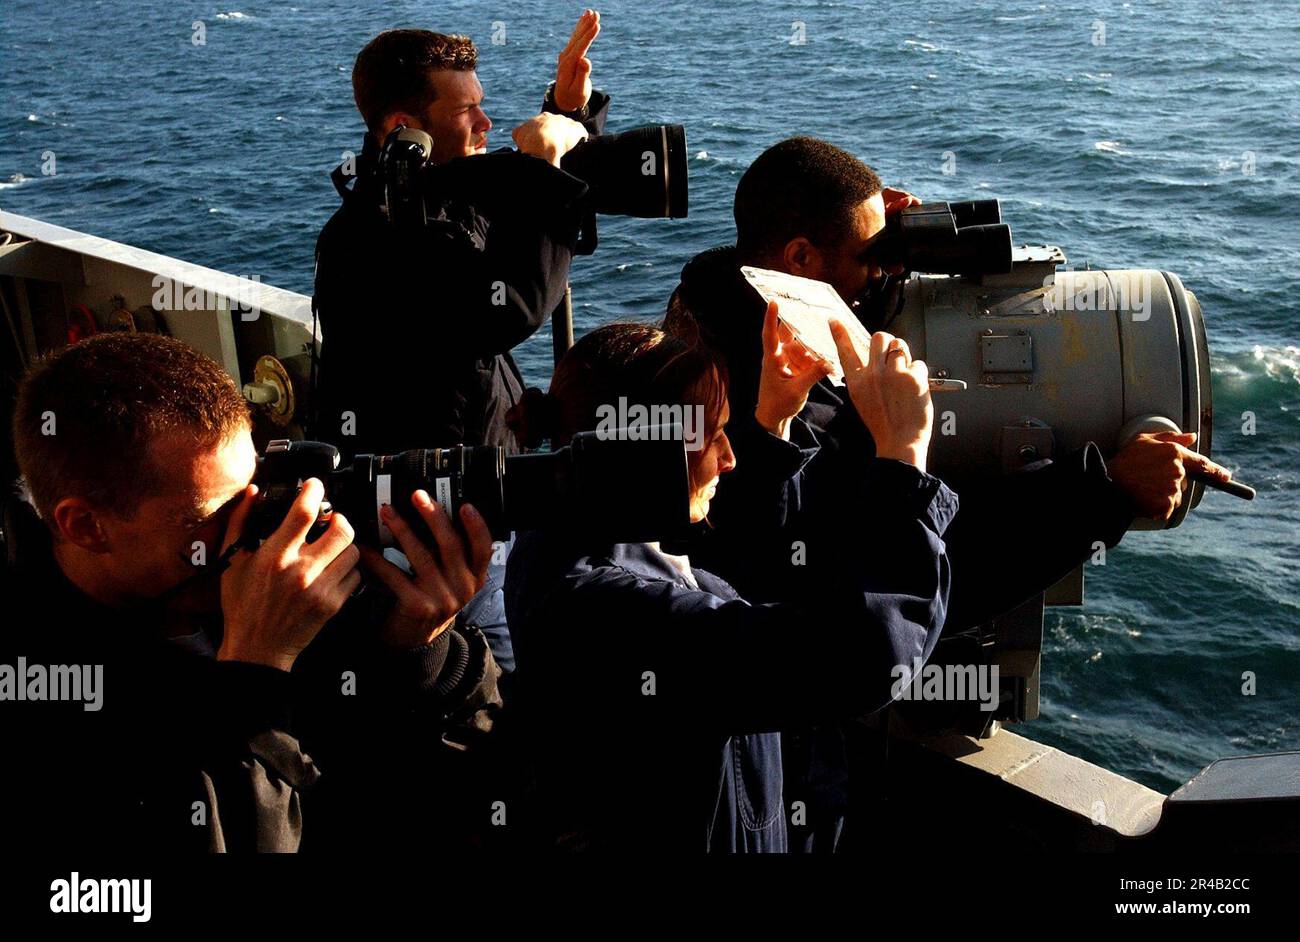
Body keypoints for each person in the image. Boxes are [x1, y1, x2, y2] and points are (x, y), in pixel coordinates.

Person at [663, 135, 1237, 851]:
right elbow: (925, 580)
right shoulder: (777, 410)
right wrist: (1107, 492)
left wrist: (879, 258)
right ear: (802, 259)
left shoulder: (712, 309)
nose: (879, 276)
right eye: (868, 257)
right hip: (778, 775)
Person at [0, 333, 497, 852]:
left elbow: (472, 789)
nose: (253, 535)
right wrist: (255, 677)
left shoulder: (288, 586)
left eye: (255, 497)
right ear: (86, 526)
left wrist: (424, 657)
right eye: (214, 517)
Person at [503, 309, 958, 852]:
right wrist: (904, 462)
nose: (729, 458)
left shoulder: (591, 529)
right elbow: (858, 657)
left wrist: (772, 420)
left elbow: (738, 581)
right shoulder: (596, 611)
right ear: (639, 455)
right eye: (712, 437)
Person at [313, 15, 608, 678]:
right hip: (425, 541)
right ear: (402, 129)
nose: (484, 124)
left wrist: (566, 112)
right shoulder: (371, 238)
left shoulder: (439, 197)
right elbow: (515, 304)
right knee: (484, 701)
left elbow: (518, 222)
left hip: (472, 509)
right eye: (468, 110)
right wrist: (543, 164)